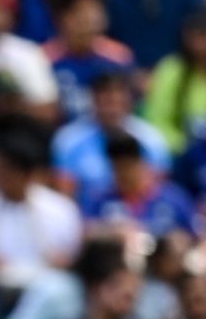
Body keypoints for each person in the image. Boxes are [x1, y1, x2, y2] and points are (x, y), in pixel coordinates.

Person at [0, 133, 82, 293]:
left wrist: (63, 263)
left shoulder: (61, 208)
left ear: (28, 173)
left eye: (8, 169)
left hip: (45, 289)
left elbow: (74, 257)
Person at [52, 70, 171, 211]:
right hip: (90, 219)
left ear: (129, 100)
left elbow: (160, 192)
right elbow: (65, 196)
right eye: (106, 101)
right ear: (93, 99)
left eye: (117, 101)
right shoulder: (69, 140)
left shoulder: (151, 139)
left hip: (143, 217)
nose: (112, 109)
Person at [43, 0, 134, 123]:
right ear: (62, 17)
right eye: (82, 13)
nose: (90, 20)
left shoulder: (119, 57)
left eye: (96, 12)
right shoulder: (44, 58)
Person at [85, 133, 197, 237]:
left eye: (128, 167)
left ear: (142, 164)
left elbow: (194, 236)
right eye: (117, 169)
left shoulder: (174, 199)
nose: (124, 174)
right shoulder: (101, 201)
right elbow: (87, 234)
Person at [145, 13, 206, 154]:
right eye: (198, 37)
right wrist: (188, 148)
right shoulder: (170, 70)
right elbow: (157, 121)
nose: (202, 45)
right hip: (181, 156)